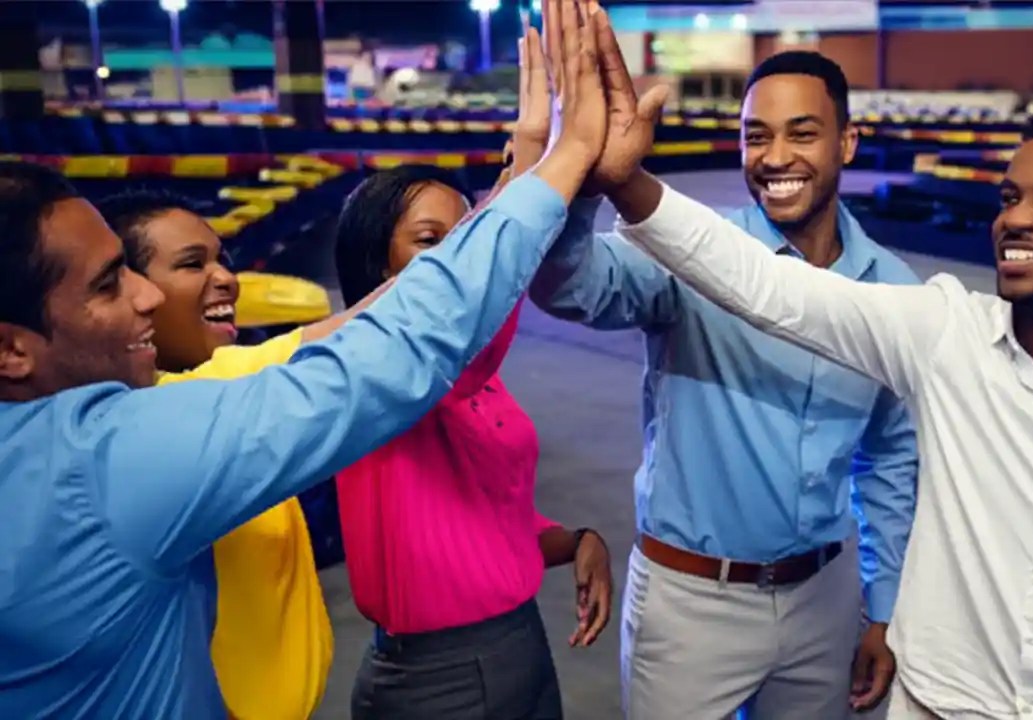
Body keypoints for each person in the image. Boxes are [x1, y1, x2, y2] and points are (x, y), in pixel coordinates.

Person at [0, 3, 610, 715]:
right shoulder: (115, 455)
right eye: (110, 283)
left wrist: (524, 173)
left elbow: (373, 327)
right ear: (11, 348)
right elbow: (397, 344)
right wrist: (559, 167)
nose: (143, 297)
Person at [603, 102, 1033, 719]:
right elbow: (768, 287)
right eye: (1010, 198)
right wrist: (627, 181)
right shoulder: (944, 334)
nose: (1017, 219)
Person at [529, 45, 918, 718]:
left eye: (802, 133)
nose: (774, 158)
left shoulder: (892, 291)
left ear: (847, 142)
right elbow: (571, 288)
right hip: (692, 604)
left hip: (825, 599)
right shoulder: (692, 253)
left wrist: (883, 608)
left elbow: (890, 457)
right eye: (756, 136)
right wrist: (584, 179)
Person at [334, 162, 612, 719]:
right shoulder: (370, 374)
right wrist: (536, 182)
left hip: (518, 645)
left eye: (467, 240)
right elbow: (476, 315)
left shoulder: (476, 381)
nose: (459, 261)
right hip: (440, 682)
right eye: (431, 242)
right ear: (375, 264)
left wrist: (580, 540)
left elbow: (493, 528)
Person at [95, 189, 332, 720]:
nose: (226, 276)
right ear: (132, 292)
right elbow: (384, 324)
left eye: (220, 257)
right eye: (191, 263)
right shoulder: (194, 400)